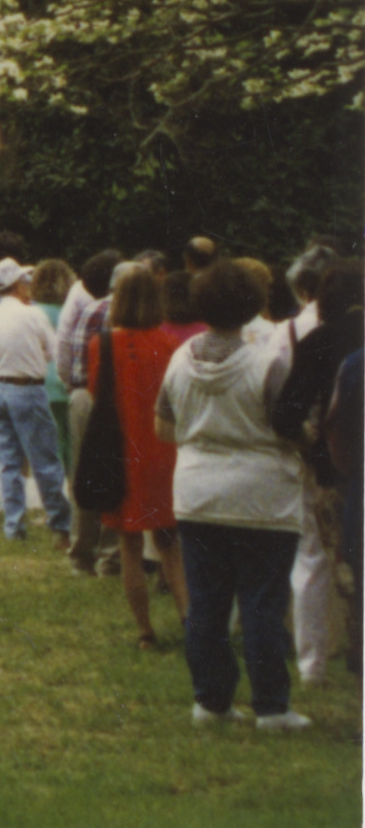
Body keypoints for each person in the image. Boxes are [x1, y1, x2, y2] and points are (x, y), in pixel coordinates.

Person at [156, 258, 307, 727]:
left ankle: (211, 701)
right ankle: (272, 707)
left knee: (206, 603)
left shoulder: (181, 360)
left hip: (198, 493)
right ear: (254, 305)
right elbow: (289, 432)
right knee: (262, 602)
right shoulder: (268, 365)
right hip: (262, 499)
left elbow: (163, 428)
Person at [267, 252, 360, 687]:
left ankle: (312, 665)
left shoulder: (318, 341)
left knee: (313, 564)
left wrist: (312, 439)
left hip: (329, 472)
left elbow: (285, 415)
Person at [102, 256, 197, 651]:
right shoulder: (170, 344)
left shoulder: (102, 345)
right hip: (164, 451)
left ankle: (144, 632)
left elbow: (98, 398)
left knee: (129, 546)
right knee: (172, 547)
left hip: (122, 452)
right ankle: (190, 622)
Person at [0, 260, 73, 544]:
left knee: (8, 462)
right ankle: (60, 525)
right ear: (18, 285)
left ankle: (14, 526)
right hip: (27, 389)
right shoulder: (32, 315)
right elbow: (53, 351)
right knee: (45, 460)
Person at [59, 250, 121, 575]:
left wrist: (74, 389)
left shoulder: (89, 309)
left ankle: (80, 554)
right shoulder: (126, 311)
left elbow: (64, 356)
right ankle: (111, 555)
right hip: (115, 398)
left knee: (82, 476)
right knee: (114, 474)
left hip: (83, 394)